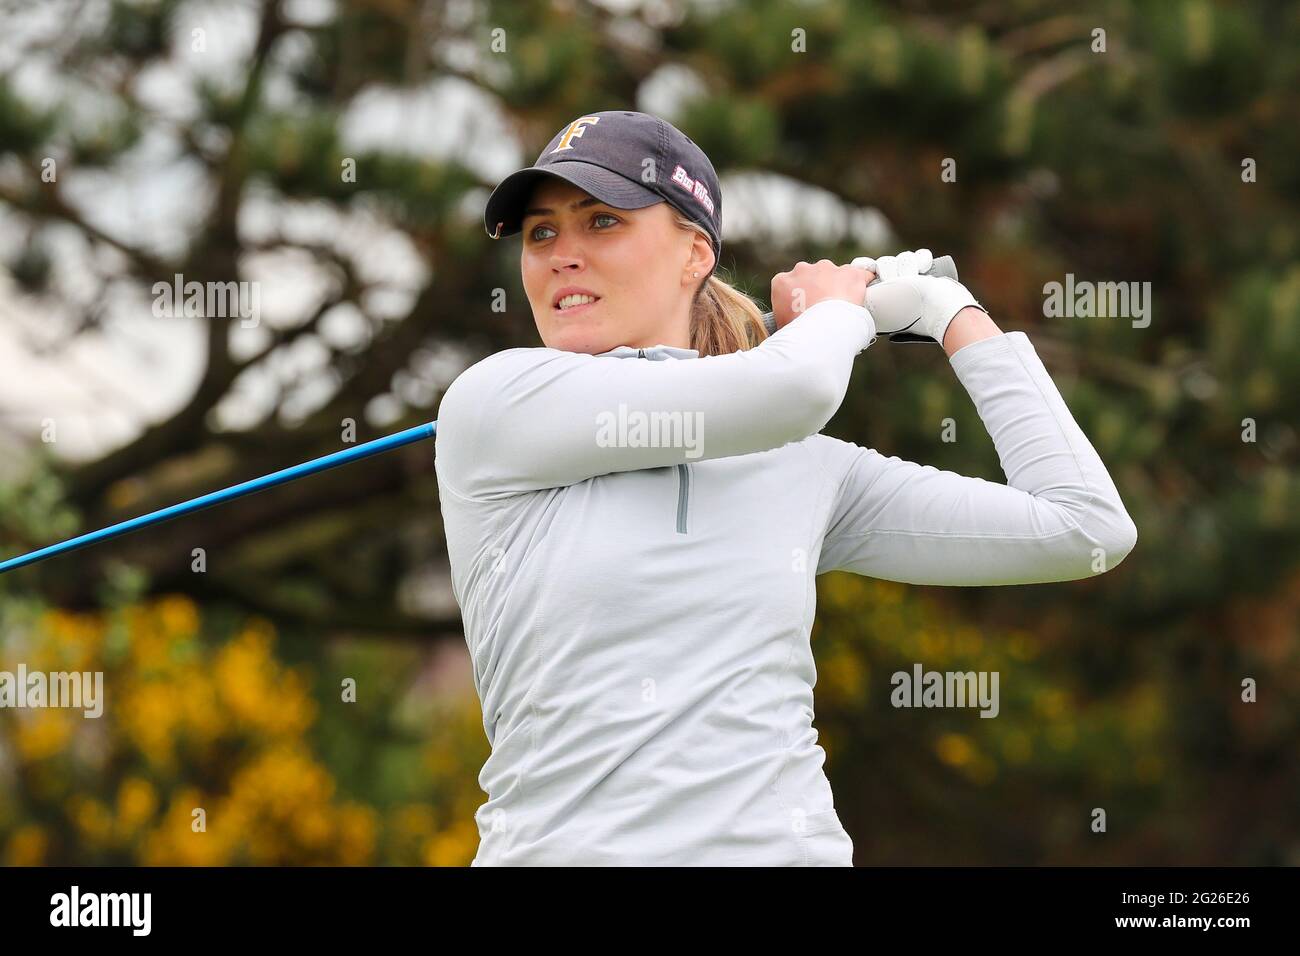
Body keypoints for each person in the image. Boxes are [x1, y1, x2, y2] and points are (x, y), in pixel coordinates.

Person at [434, 110, 1137, 866]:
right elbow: (795, 384)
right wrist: (844, 313)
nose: (561, 255)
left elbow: (1085, 529)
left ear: (693, 254)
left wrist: (954, 316)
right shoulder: (495, 404)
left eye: (601, 221)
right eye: (540, 234)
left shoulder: (801, 464)